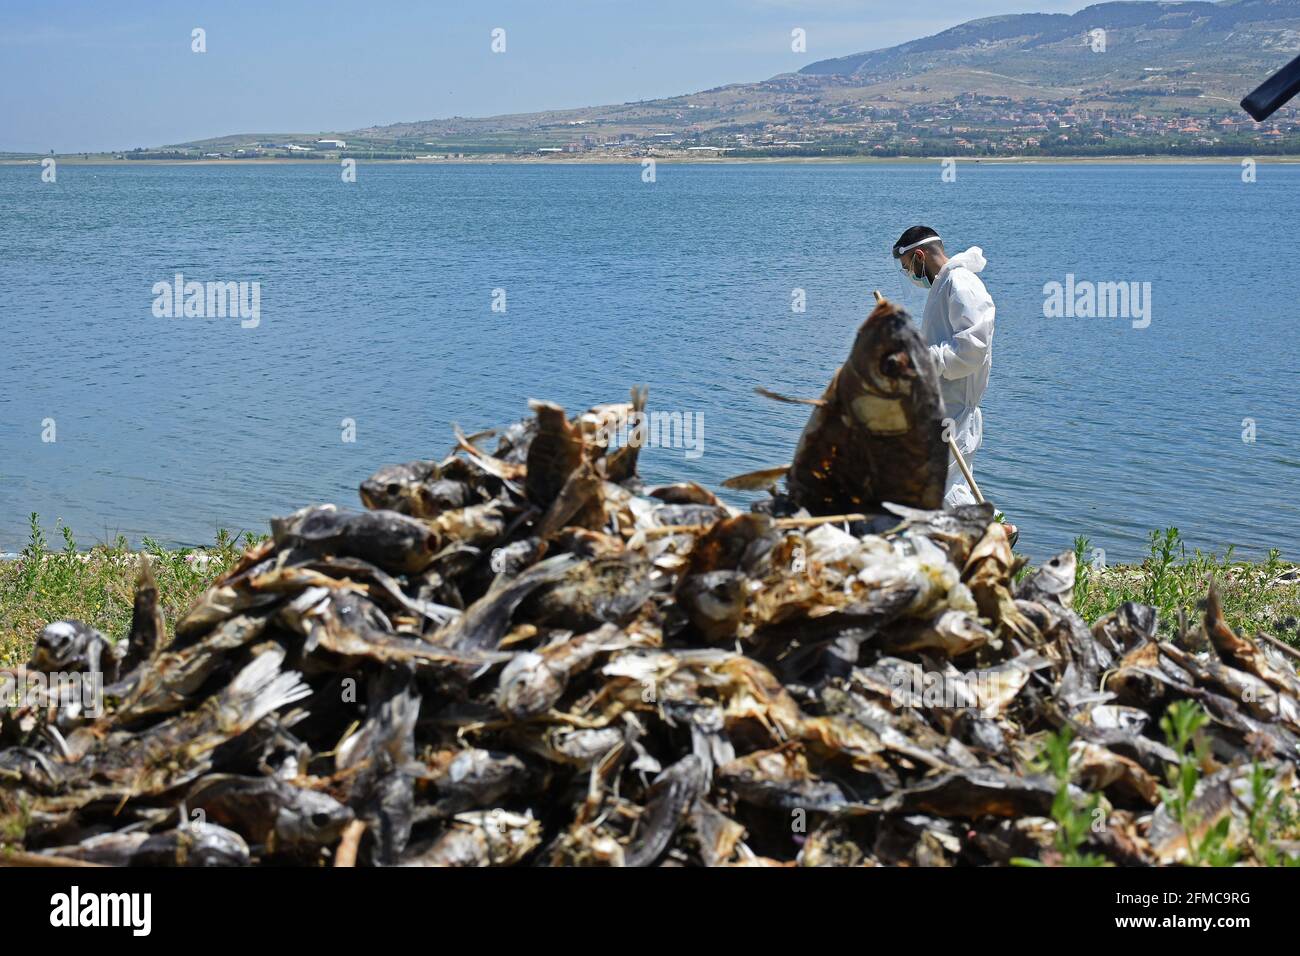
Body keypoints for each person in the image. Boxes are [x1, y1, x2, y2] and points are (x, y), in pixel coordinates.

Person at [891, 226, 1016, 543]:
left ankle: (994, 535)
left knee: (941, 486)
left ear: (919, 255)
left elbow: (972, 349)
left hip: (957, 407)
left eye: (908, 266)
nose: (910, 275)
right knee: (947, 483)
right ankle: (993, 534)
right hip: (945, 405)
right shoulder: (946, 285)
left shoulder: (961, 284)